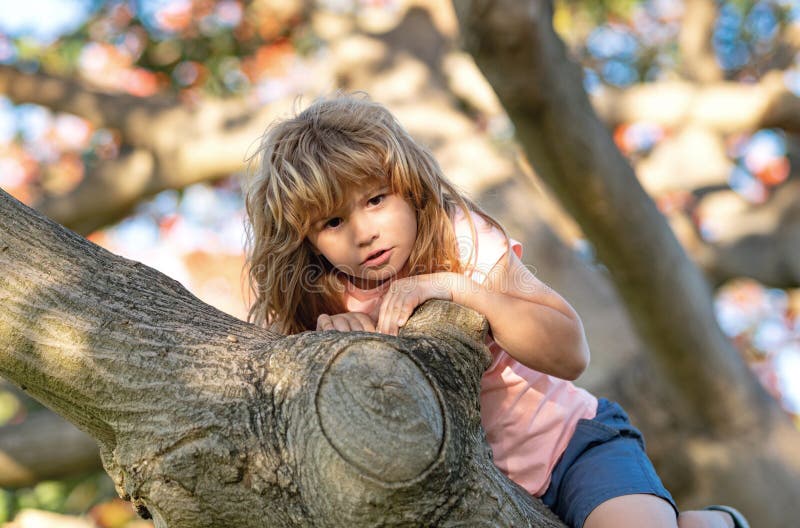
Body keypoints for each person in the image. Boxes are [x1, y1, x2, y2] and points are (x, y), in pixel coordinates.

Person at [243, 93, 749, 528]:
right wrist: (328, 347)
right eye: (333, 221)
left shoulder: (459, 241)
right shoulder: (320, 297)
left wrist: (463, 290)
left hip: (571, 448)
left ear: (410, 189)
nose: (363, 231)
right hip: (469, 490)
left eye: (376, 199)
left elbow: (572, 353)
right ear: (305, 239)